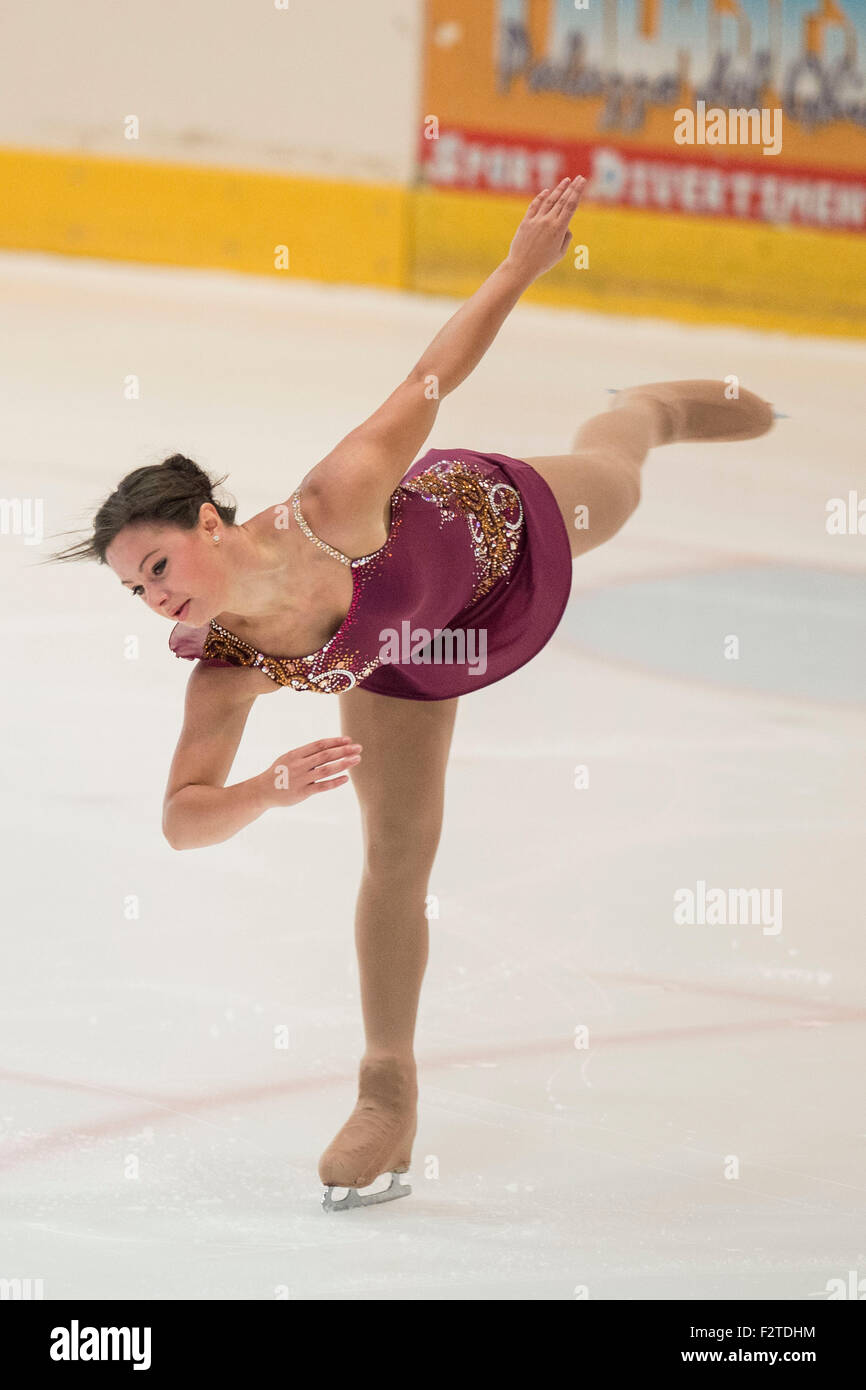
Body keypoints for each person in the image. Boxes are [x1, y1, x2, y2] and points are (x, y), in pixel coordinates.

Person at [49, 175, 774, 1210]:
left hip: (497, 534)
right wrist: (267, 788)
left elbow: (432, 374)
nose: (150, 597)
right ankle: (386, 1089)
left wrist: (518, 265)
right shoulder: (227, 666)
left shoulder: (335, 498)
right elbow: (180, 821)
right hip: (404, 661)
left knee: (615, 479)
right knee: (395, 850)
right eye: (134, 588)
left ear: (208, 522)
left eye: (155, 566)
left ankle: (640, 411)